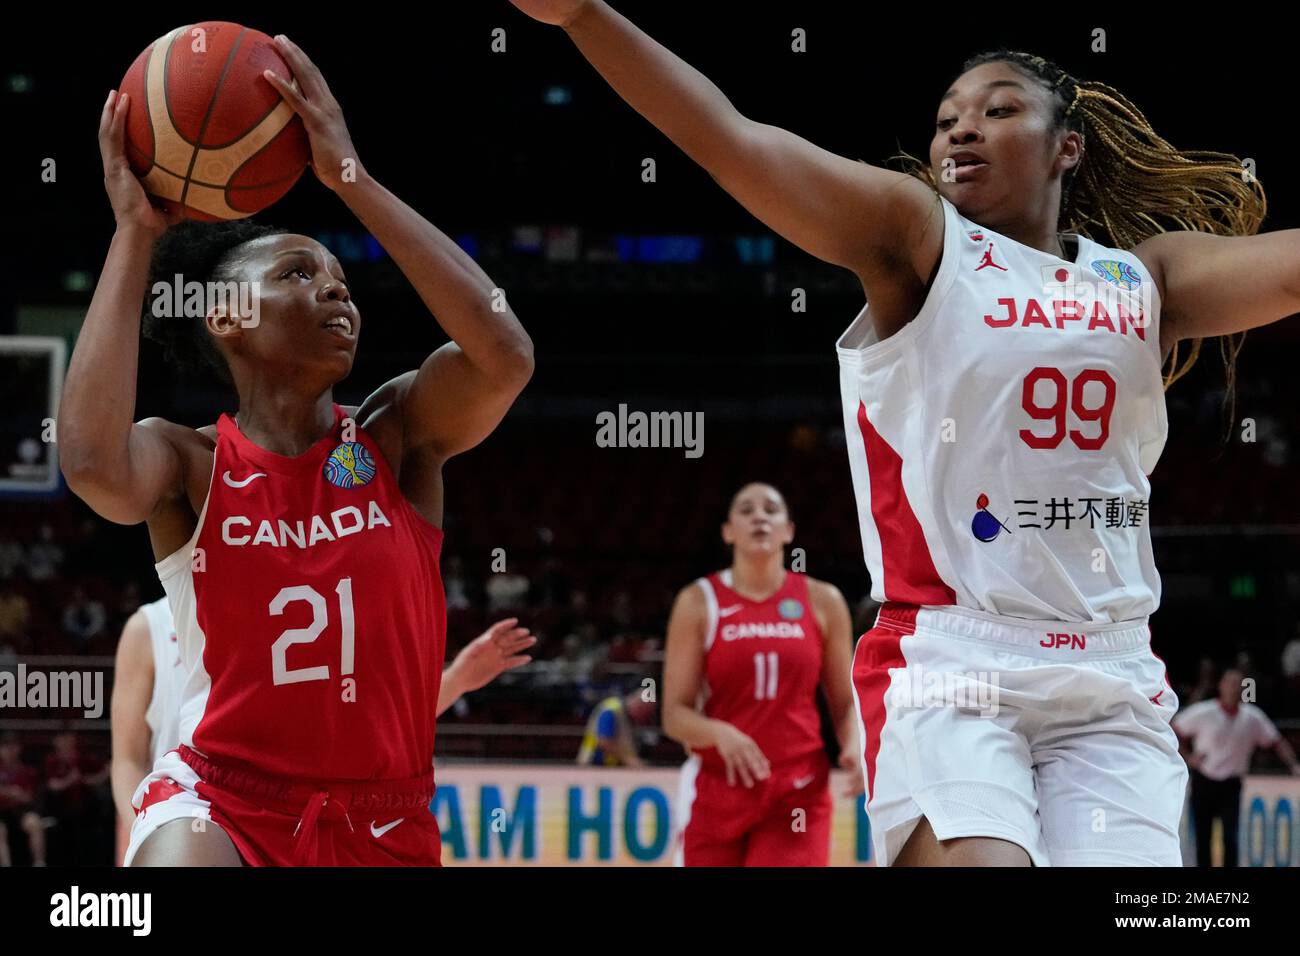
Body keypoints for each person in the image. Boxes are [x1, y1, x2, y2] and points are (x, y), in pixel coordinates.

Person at [510, 1, 1298, 867]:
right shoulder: (920, 240)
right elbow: (734, 141)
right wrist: (585, 16)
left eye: (998, 110)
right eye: (947, 118)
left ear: (1066, 147)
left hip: (1112, 674)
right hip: (952, 657)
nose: (962, 130)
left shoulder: (1145, 276)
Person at [63, 34, 534, 866]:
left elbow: (506, 354)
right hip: (223, 797)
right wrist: (136, 235)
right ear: (227, 318)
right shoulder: (188, 462)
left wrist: (352, 180)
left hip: (386, 817)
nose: (332, 289)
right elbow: (94, 466)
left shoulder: (396, 434)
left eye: (340, 282)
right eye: (294, 274)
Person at [663, 483, 859, 867]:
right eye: (747, 510)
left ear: (788, 530)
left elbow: (845, 702)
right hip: (719, 789)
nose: (759, 517)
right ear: (728, 531)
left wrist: (855, 746)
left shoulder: (823, 601)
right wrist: (719, 733)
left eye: (771, 510)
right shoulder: (698, 601)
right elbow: (674, 715)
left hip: (797, 791)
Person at [1173, 668, 1300, 867]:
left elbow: (1276, 741)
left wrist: (1294, 765)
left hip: (1231, 785)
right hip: (1204, 781)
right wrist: (1188, 757)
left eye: (1238, 685)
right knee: (1203, 838)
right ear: (1221, 686)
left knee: (1231, 838)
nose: (1233, 689)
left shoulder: (1252, 717)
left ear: (1244, 689)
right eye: (1229, 684)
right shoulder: (1204, 712)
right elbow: (1174, 730)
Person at [577, 691, 656, 766]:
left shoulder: (626, 715)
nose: (645, 718)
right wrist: (630, 760)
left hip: (611, 767)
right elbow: (604, 742)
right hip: (595, 765)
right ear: (639, 707)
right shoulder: (611, 711)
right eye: (646, 713)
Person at [0, 733, 45, 867]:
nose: (9, 751)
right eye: (5, 747)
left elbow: (30, 797)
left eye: (12, 747)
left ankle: (39, 863)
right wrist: (8, 792)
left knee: (35, 823)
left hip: (21, 812)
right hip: (1, 813)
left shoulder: (27, 770)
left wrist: (19, 795)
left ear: (18, 749)